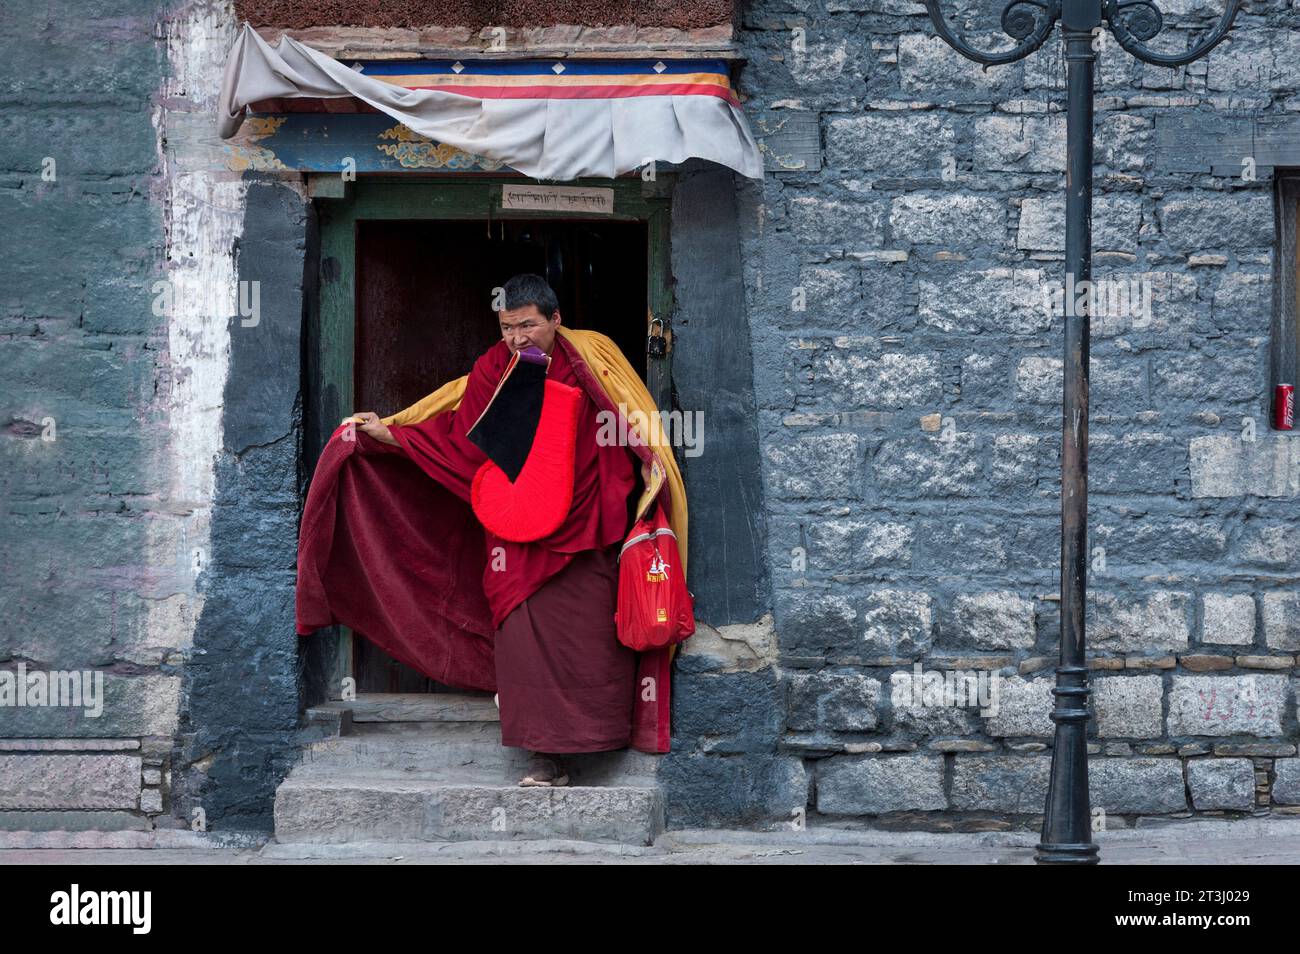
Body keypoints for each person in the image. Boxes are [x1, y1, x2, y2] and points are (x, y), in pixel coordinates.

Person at [321, 274, 679, 786]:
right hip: (517, 541)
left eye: (528, 326)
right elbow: (468, 443)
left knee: (589, 642)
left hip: (587, 534)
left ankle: (597, 745)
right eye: (508, 327)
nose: (517, 338)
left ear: (556, 320)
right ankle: (542, 758)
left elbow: (633, 427)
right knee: (525, 650)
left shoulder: (593, 361)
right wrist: (393, 437)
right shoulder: (494, 368)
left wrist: (642, 484)